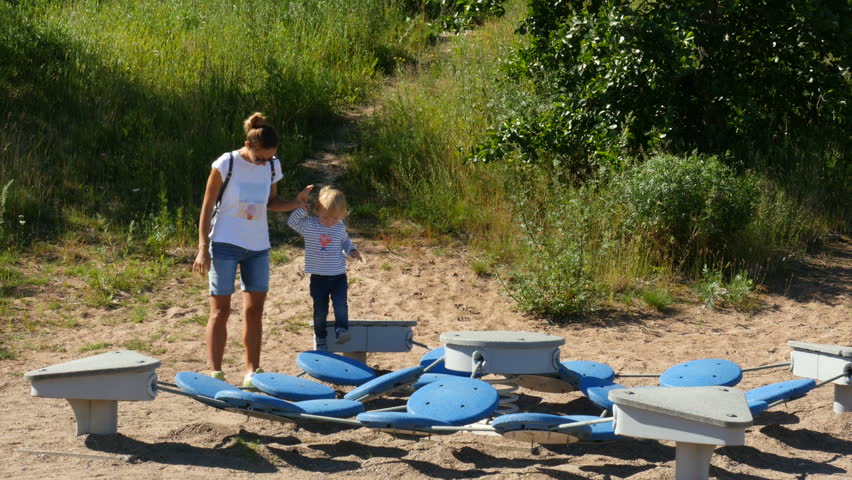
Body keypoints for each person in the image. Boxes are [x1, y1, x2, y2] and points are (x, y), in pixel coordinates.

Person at [192, 112, 311, 387]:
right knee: (221, 311)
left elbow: (272, 202)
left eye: (270, 158)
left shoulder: (271, 165)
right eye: (261, 158)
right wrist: (202, 248)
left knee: (254, 311)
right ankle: (216, 373)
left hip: (258, 247)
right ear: (248, 145)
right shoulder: (226, 163)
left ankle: (251, 373)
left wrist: (296, 202)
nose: (266, 163)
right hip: (224, 243)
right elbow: (207, 206)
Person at [288, 185, 363, 351]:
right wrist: (302, 210)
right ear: (318, 210)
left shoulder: (339, 226)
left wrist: (352, 250)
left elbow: (345, 242)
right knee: (320, 310)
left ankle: (342, 330)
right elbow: (292, 222)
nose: (330, 222)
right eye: (326, 217)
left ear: (342, 215)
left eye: (335, 218)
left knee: (341, 304)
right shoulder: (310, 225)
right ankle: (321, 338)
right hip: (319, 278)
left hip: (338, 276)